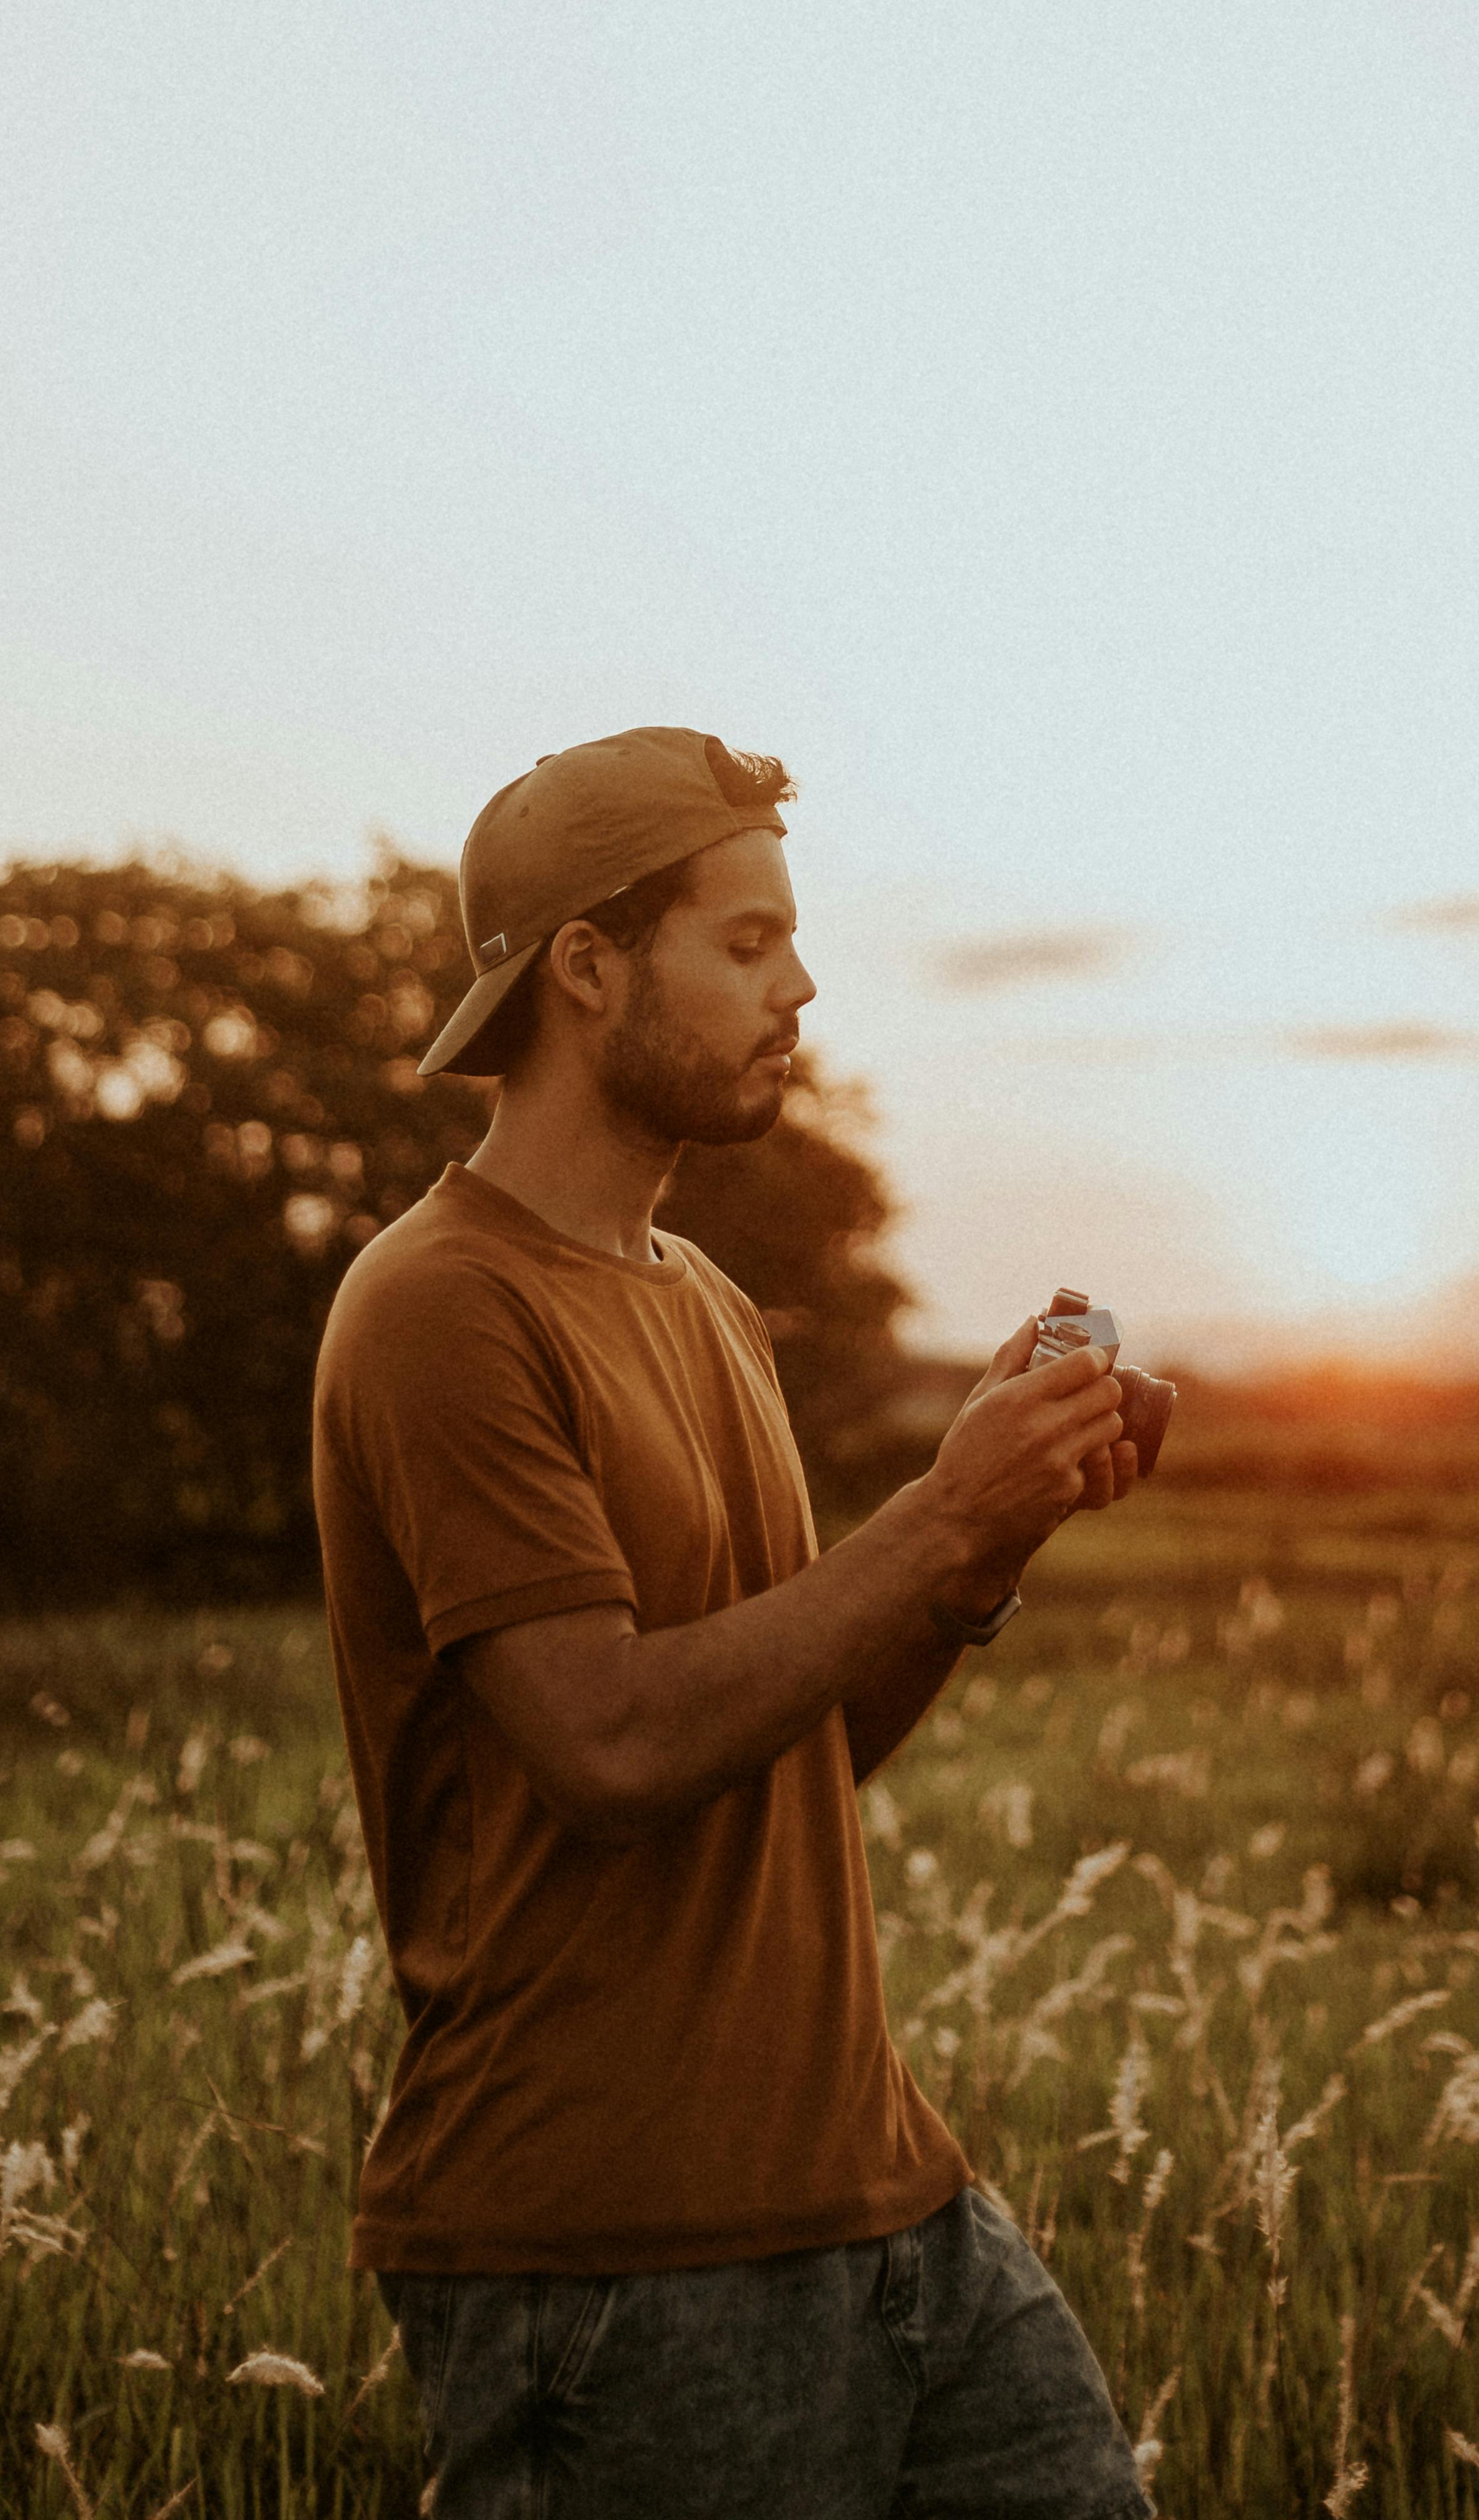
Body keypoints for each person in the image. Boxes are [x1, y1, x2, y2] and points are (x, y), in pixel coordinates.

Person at [311, 724, 1157, 2520]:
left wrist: (981, 1552)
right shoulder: (439, 1307)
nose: (802, 987)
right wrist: (937, 1515)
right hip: (616, 2258)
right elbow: (611, 1747)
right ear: (588, 967)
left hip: (889, 2202)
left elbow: (799, 1742)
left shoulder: (704, 1301)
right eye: (748, 941)